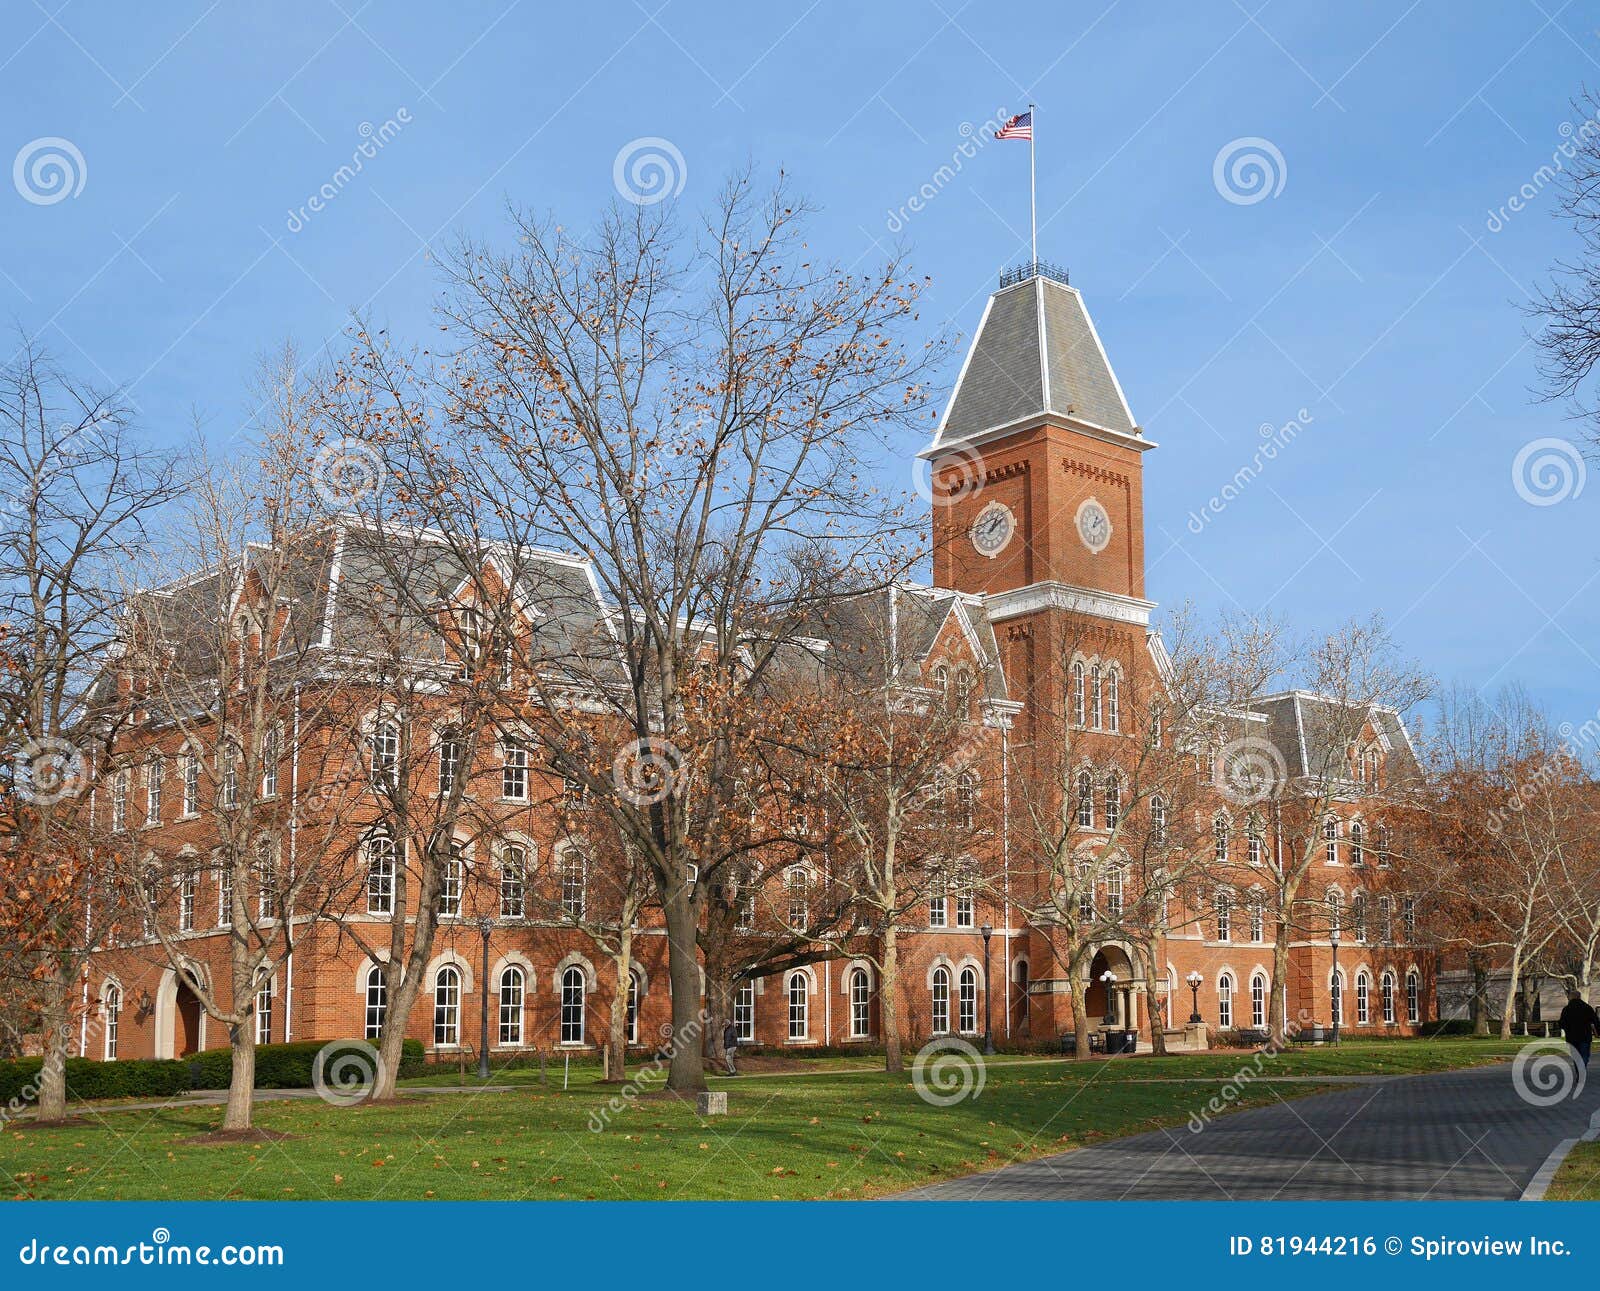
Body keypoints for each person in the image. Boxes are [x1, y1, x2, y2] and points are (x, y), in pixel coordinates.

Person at [1558, 988, 1600, 1072]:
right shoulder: (1587, 1007)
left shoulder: (1566, 1009)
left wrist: (1567, 1028)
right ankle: (1582, 1069)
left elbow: (1562, 1023)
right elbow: (1595, 1020)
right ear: (1579, 997)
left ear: (1571, 997)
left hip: (1571, 1037)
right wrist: (1598, 1032)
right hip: (1585, 1036)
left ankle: (1579, 1071)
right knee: (1584, 1055)